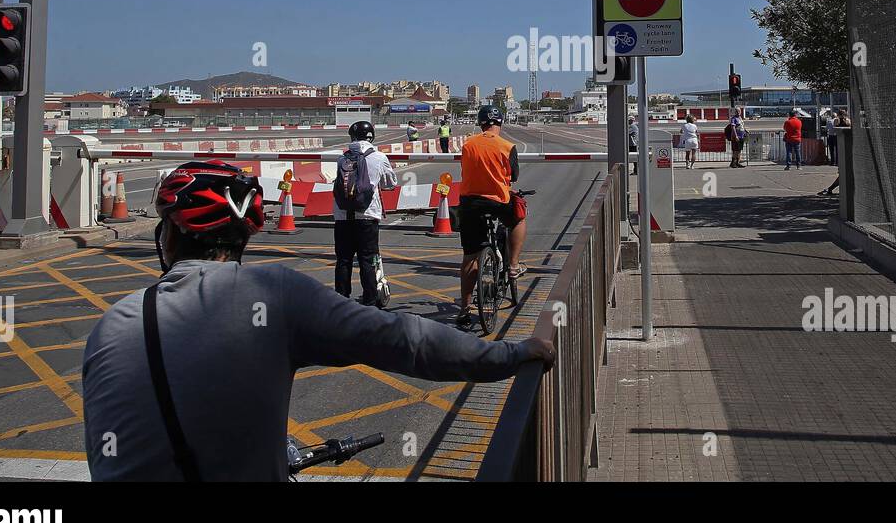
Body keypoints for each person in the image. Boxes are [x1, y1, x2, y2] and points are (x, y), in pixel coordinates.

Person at [81, 159, 555, 481]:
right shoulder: (272, 294)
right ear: (244, 238)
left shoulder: (113, 324)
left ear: (169, 238)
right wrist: (508, 355)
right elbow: (404, 340)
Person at [456, 105, 527, 329]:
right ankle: (513, 265)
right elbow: (513, 175)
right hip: (497, 201)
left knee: (470, 257)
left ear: (480, 123)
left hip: (470, 204)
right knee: (518, 218)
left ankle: (465, 310)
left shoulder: (468, 144)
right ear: (500, 123)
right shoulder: (507, 146)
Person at [333, 120, 398, 306]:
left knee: (343, 260)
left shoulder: (342, 158)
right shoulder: (378, 157)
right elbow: (390, 184)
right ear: (372, 137)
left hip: (342, 216)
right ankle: (370, 301)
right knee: (367, 259)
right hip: (367, 216)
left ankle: (341, 300)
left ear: (352, 137)